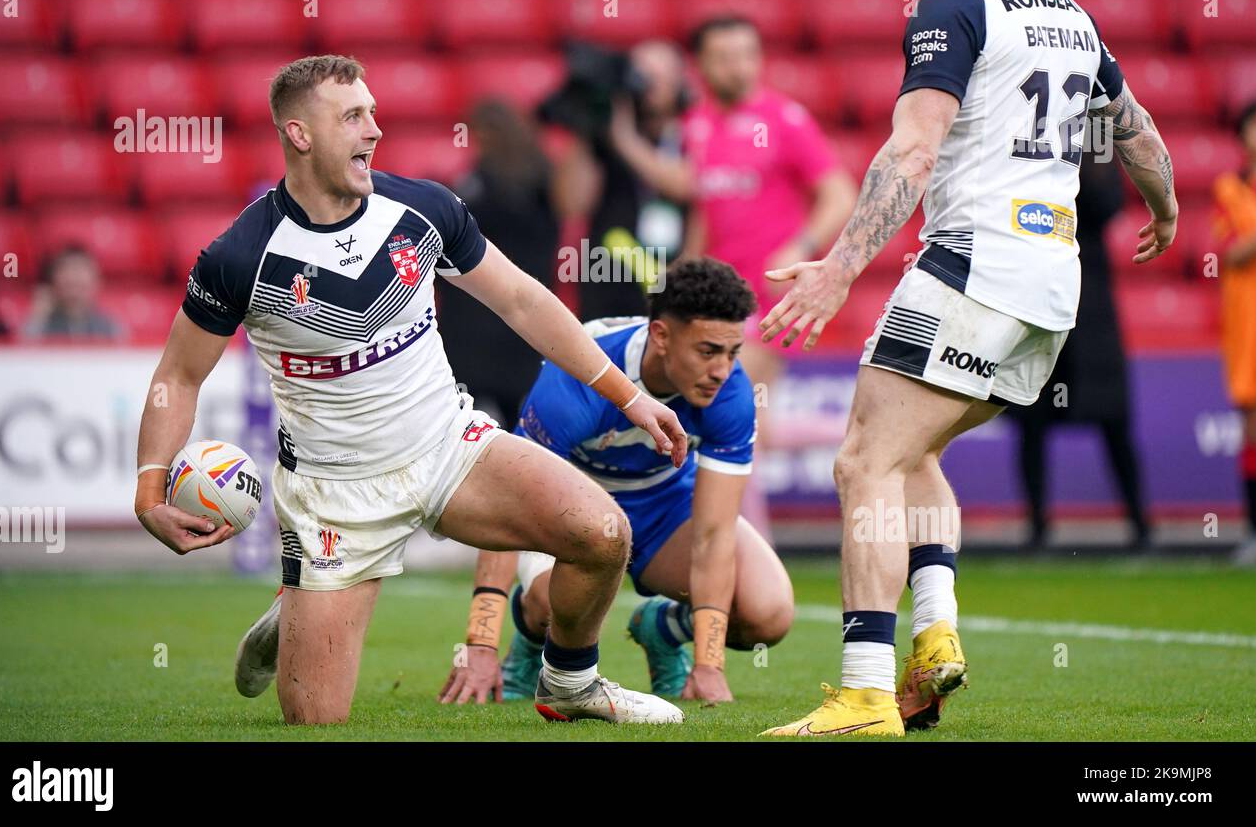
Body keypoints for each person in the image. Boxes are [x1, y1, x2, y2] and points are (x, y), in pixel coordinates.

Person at [758, 0, 1178, 737]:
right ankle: (936, 640)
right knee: (915, 453)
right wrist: (1168, 208)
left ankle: (865, 692)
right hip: (1052, 287)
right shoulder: (1063, 2)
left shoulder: (953, 1)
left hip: (974, 263)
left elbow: (911, 151)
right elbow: (1134, 125)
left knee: (863, 460)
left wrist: (837, 270)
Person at [135, 55, 690, 727]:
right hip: (336, 494)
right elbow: (179, 376)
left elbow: (519, 300)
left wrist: (630, 397)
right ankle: (300, 602)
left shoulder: (422, 209)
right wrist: (149, 489)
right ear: (300, 134)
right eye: (352, 116)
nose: (373, 129)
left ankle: (570, 682)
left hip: (448, 448)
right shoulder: (240, 256)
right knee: (315, 720)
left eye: (371, 112)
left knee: (602, 534)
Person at [436, 258, 794, 706]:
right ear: (661, 337)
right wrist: (480, 643)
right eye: (707, 352)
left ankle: (660, 628)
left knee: (768, 613)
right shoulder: (579, 375)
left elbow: (713, 534)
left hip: (664, 510)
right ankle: (530, 629)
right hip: (573, 509)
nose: (723, 370)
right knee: (556, 605)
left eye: (732, 352)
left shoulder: (733, 393)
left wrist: (709, 664)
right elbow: (512, 499)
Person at [610, 17, 858, 539]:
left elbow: (839, 194)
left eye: (747, 54)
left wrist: (802, 247)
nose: (738, 67)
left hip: (767, 296)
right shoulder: (698, 124)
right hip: (720, 298)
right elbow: (701, 201)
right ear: (701, 65)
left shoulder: (784, 120)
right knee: (744, 423)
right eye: (724, 56)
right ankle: (863, 433)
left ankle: (749, 550)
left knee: (735, 418)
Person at [1005, 151, 1149, 550]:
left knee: (1113, 419)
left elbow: (1108, 204)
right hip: (1037, 292)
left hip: (1091, 303)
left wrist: (1071, 161)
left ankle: (1140, 525)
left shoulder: (1094, 138)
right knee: (1031, 416)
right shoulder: (1025, 136)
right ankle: (1036, 527)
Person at [436, 98, 560, 429]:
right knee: (523, 423)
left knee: (467, 425)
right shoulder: (544, 179)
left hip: (474, 321)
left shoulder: (475, 186)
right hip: (521, 317)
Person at [551, 40, 691, 320]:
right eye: (641, 75)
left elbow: (686, 186)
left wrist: (625, 140)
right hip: (607, 281)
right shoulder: (601, 137)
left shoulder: (694, 129)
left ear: (679, 82)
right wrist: (586, 128)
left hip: (677, 280)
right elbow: (571, 204)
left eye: (658, 75)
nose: (647, 85)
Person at [1211, 94, 1256, 566]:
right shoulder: (1231, 188)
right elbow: (1231, 252)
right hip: (1249, 319)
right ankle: (1255, 530)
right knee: (1254, 423)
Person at [22, 245, 122, 340]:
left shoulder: (109, 327)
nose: (74, 277)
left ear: (97, 281)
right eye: (66, 269)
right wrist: (38, 316)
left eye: (80, 269)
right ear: (52, 280)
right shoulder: (42, 323)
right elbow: (25, 350)